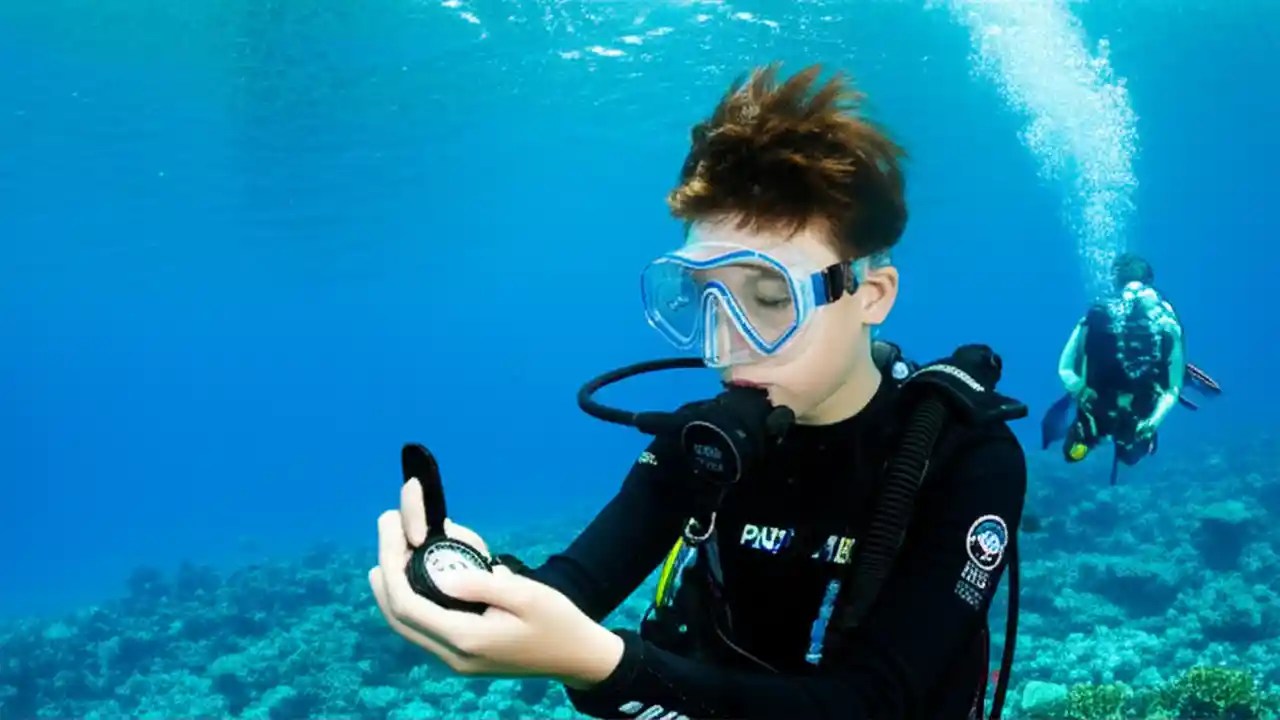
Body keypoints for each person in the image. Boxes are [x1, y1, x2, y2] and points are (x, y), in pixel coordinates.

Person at [369, 63, 1029, 720]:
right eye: (704, 300)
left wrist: (607, 665)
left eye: (769, 299)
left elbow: (875, 702)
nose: (724, 345)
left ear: (872, 296)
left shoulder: (965, 459)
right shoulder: (701, 446)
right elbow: (568, 590)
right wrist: (468, 585)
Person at [1042, 252, 1221, 484]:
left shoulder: (1096, 313)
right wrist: (1153, 422)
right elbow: (1173, 388)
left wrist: (1080, 390)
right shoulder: (1166, 319)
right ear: (1149, 280)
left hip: (1095, 408)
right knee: (1130, 456)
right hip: (1140, 413)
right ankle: (1128, 445)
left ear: (1116, 281)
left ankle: (1088, 444)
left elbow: (1066, 368)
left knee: (1075, 452)